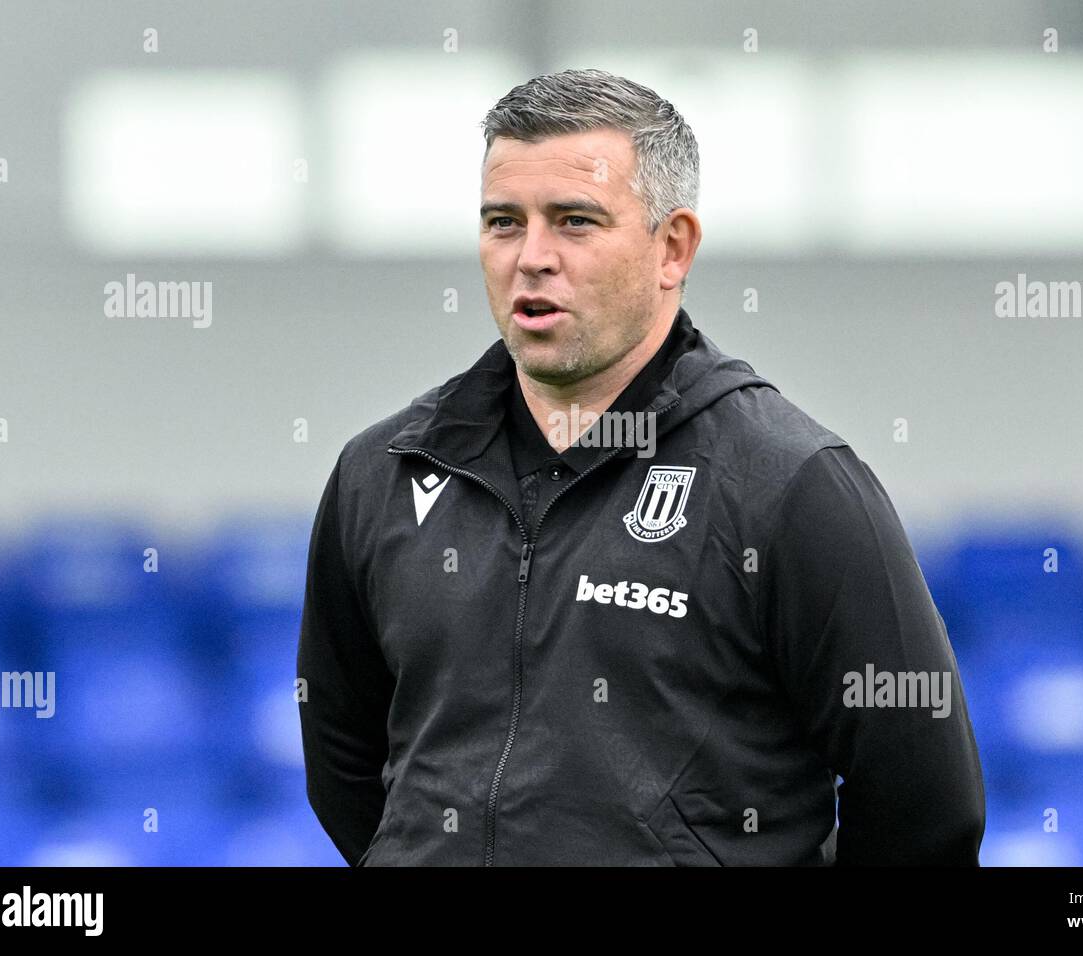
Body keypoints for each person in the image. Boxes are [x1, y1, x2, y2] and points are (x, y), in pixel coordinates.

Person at [297, 68, 985, 866]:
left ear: (673, 247)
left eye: (575, 221)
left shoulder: (790, 485)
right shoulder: (382, 472)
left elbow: (927, 809)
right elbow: (349, 772)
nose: (532, 258)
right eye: (502, 222)